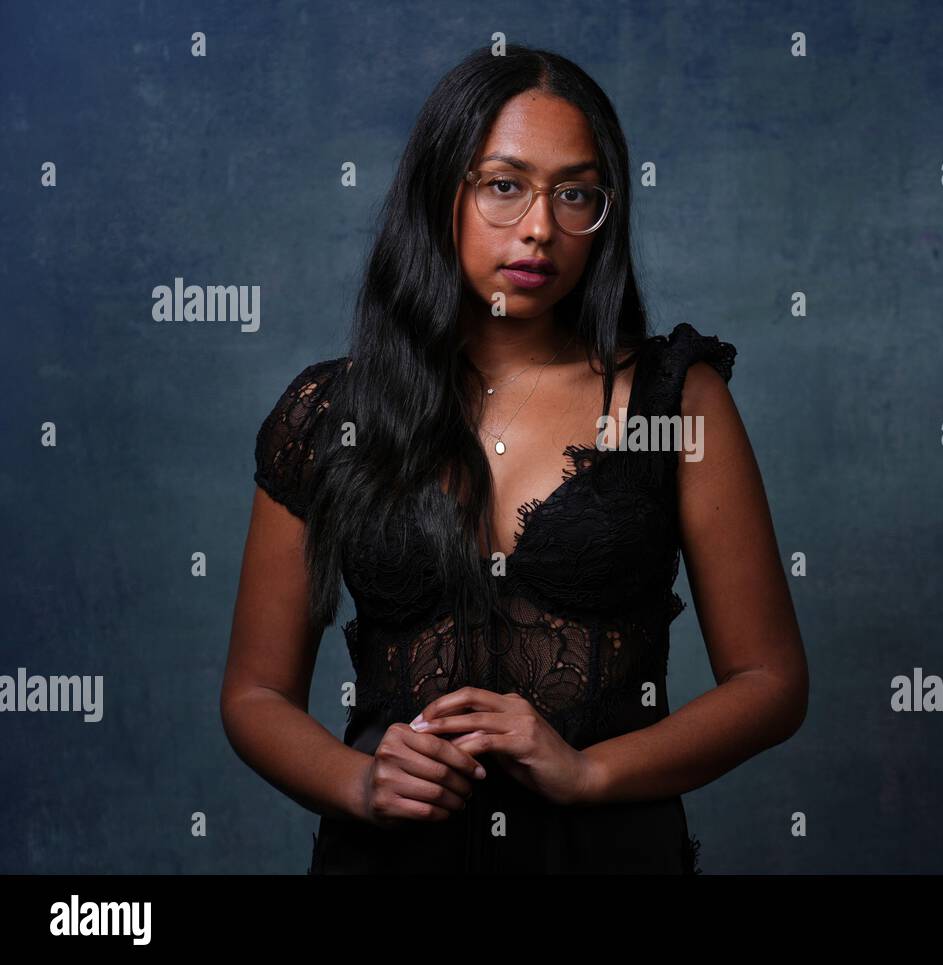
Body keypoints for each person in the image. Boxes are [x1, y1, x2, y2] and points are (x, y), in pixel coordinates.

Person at [221, 44, 808, 874]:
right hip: (391, 858)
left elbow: (770, 681)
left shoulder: (675, 400)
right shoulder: (329, 414)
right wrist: (359, 783)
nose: (540, 226)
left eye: (576, 193)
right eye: (504, 184)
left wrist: (589, 769)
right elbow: (254, 694)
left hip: (607, 855)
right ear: (440, 191)